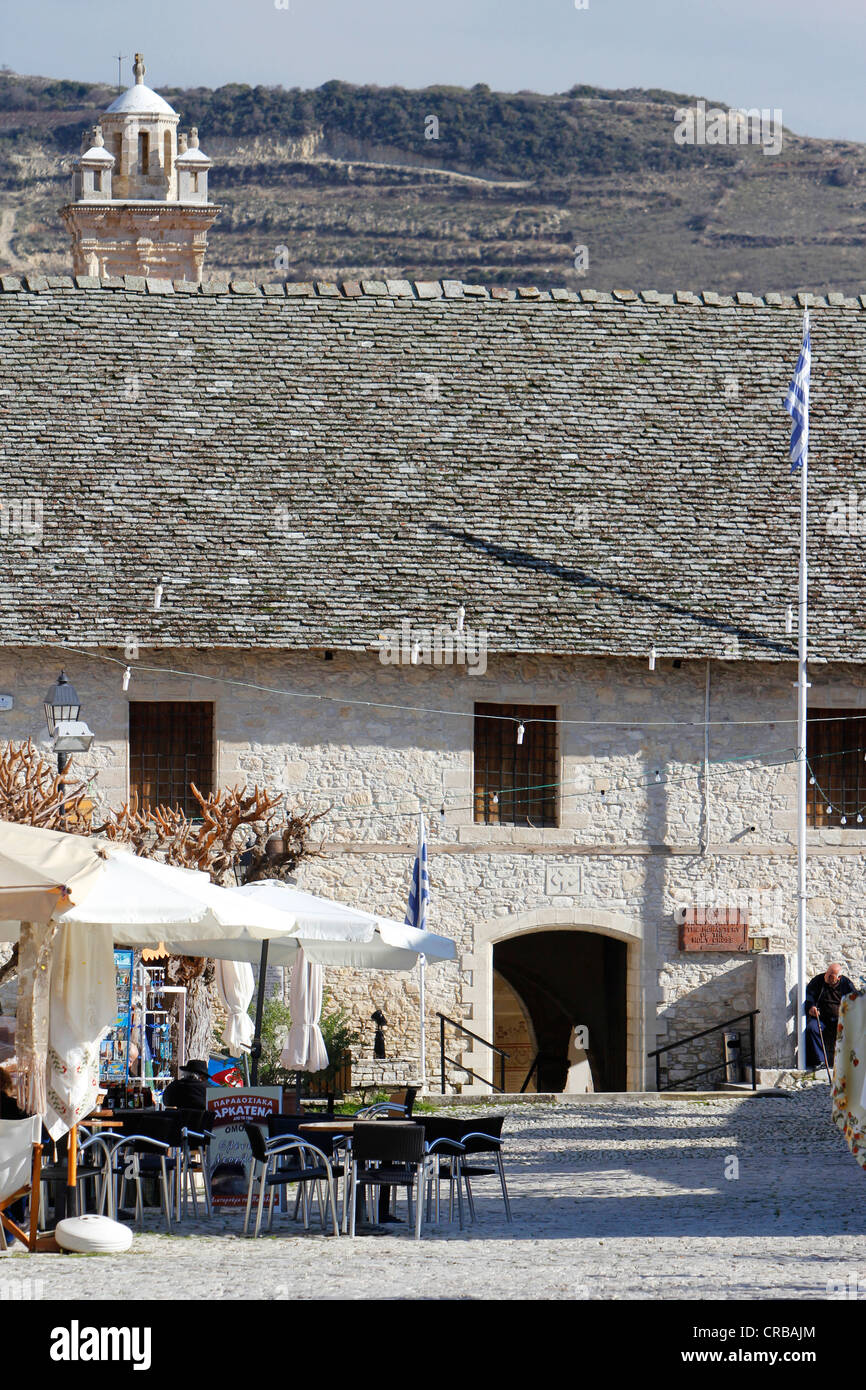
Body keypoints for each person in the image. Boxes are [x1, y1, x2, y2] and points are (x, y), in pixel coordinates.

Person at [805, 962, 857, 1069]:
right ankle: (820, 1061)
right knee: (812, 1028)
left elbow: (854, 1001)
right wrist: (811, 1007)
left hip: (840, 1019)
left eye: (831, 975)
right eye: (827, 973)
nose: (827, 977)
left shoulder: (846, 984)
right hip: (822, 1018)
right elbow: (809, 997)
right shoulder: (818, 981)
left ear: (839, 978)